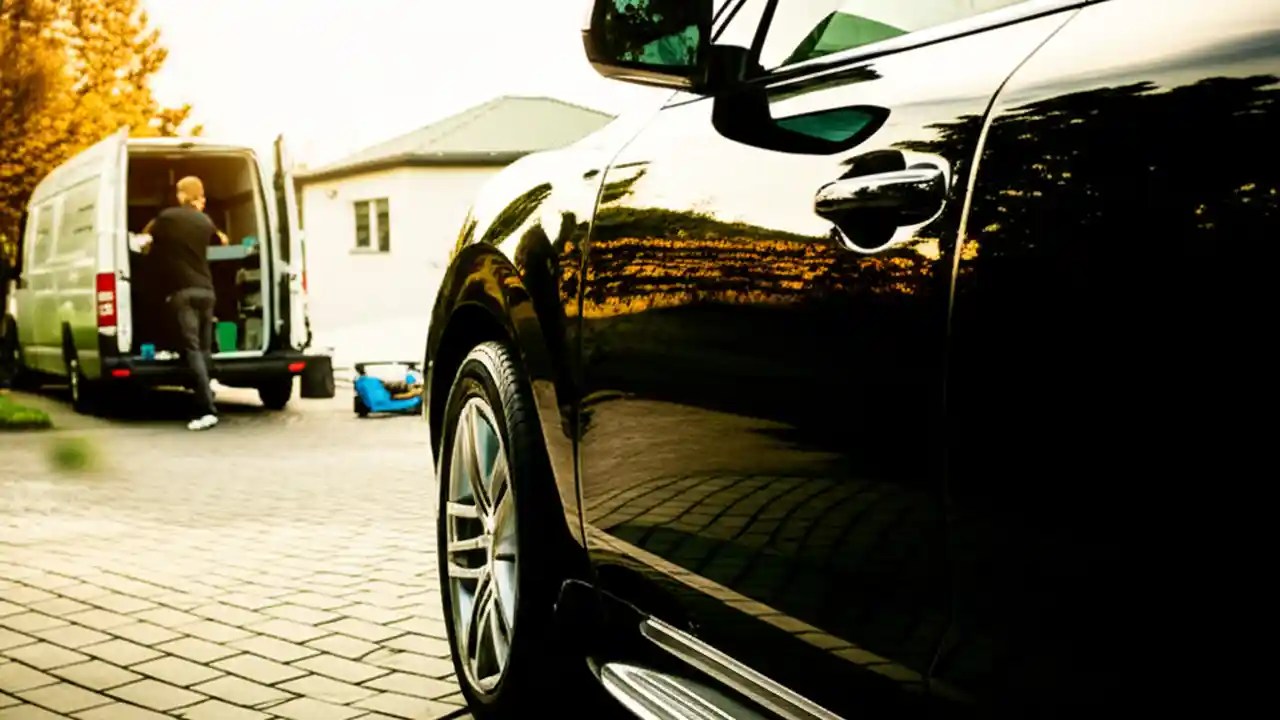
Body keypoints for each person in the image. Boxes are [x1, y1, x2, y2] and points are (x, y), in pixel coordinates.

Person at [145, 176, 221, 431]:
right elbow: (223, 240)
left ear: (180, 194)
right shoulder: (205, 220)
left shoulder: (167, 218)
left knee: (191, 349)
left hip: (184, 293)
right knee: (204, 349)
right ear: (199, 197)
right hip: (207, 291)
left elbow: (143, 239)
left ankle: (206, 409)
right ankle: (208, 393)